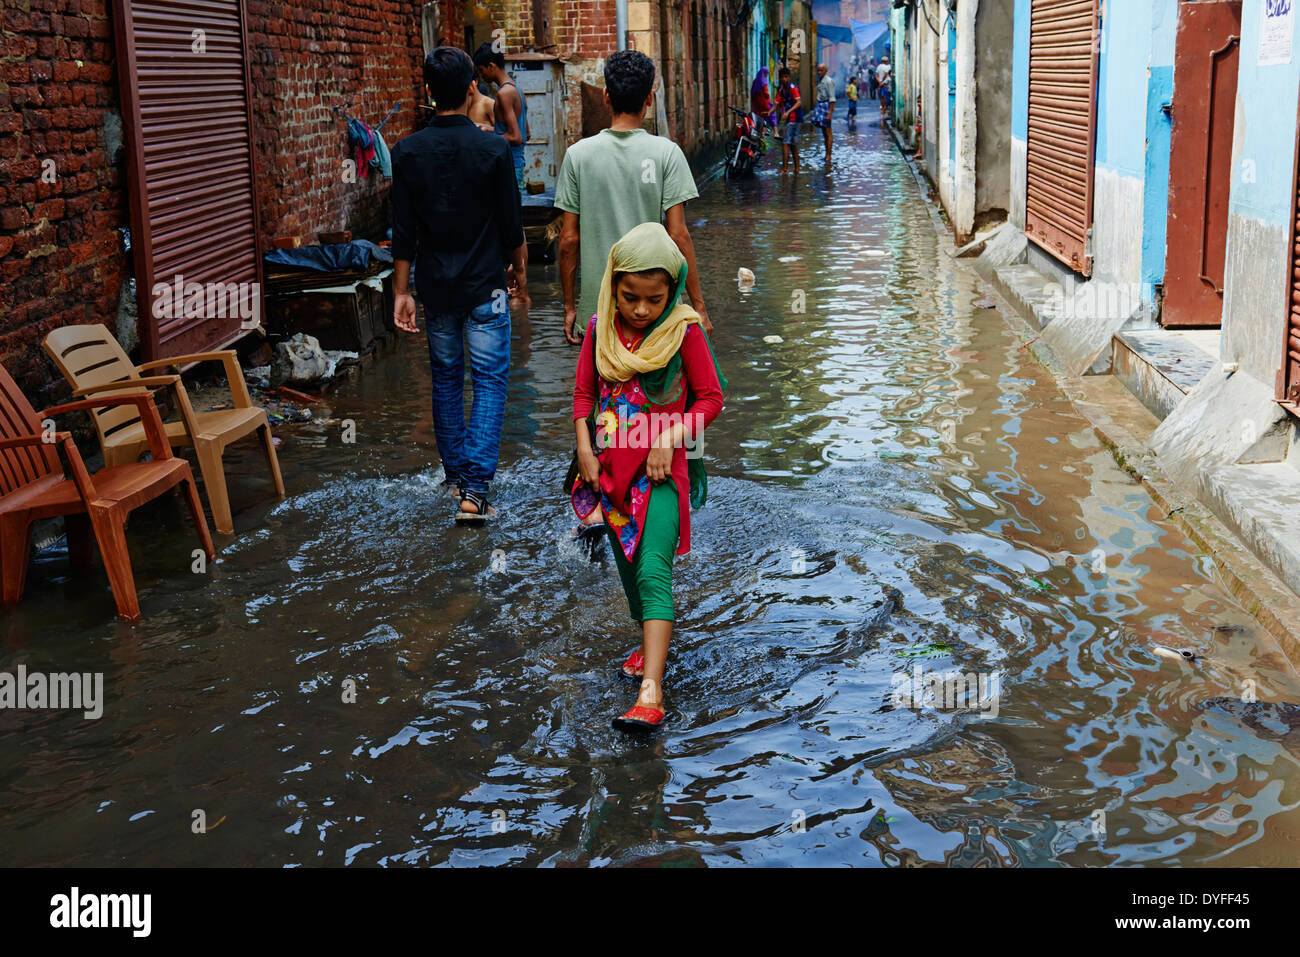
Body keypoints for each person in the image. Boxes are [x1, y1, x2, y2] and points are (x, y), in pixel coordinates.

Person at [570, 222, 725, 732]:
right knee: (630, 575)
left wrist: (670, 436)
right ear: (613, 285)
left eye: (654, 299)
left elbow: (710, 399)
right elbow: (584, 396)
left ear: (673, 290)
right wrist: (585, 450)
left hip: (659, 473)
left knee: (653, 569)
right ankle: (646, 645)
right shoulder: (600, 329)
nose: (640, 311)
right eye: (630, 297)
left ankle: (651, 692)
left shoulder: (684, 331)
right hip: (607, 475)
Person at [391, 47, 526, 521]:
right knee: (488, 383)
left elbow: (403, 232)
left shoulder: (406, 152)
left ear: (428, 92)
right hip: (485, 284)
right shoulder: (492, 149)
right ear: (472, 88)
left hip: (436, 287)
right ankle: (475, 492)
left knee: (447, 381)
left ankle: (456, 481)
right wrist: (519, 271)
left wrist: (402, 293)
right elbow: (512, 224)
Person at [556, 49, 710, 343]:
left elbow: (568, 240)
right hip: (655, 308)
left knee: (604, 389)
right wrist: (698, 306)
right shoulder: (667, 153)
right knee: (655, 388)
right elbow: (678, 235)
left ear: (606, 96)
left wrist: (569, 306)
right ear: (649, 99)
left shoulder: (577, 156)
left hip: (600, 312)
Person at [473, 43, 528, 195]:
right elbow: (526, 134)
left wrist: (485, 138)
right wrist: (490, 129)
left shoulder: (504, 94)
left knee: (508, 216)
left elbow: (516, 137)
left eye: (481, 71)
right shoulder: (518, 90)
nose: (481, 77)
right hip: (517, 163)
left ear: (491, 66)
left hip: (508, 165)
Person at [776, 66, 802, 176]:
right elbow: (776, 104)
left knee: (785, 143)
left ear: (789, 77)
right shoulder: (782, 90)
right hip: (789, 120)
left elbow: (799, 102)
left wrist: (787, 113)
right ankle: (797, 168)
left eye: (786, 77)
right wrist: (769, 112)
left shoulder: (793, 88)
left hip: (794, 119)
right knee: (792, 144)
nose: (784, 79)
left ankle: (785, 169)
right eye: (782, 77)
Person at [810, 63, 835, 166]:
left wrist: (830, 113)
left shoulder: (829, 81)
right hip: (820, 105)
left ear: (826, 71)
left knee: (828, 131)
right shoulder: (820, 81)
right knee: (824, 132)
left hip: (825, 106)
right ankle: (826, 153)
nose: (819, 72)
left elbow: (832, 98)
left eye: (821, 70)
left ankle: (828, 154)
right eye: (818, 70)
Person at [750, 65, 777, 130]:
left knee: (759, 117)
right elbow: (766, 93)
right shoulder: (764, 81)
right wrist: (769, 99)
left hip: (756, 104)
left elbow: (752, 91)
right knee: (772, 114)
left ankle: (760, 131)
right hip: (764, 103)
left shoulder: (755, 81)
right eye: (766, 73)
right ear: (764, 73)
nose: (767, 75)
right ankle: (775, 132)